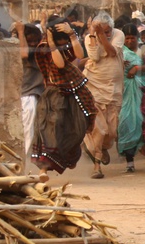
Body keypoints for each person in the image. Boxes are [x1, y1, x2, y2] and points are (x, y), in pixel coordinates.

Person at [27, 16, 94, 173]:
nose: (65, 42)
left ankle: (69, 157)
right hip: (54, 95)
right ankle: (43, 170)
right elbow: (60, 64)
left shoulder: (68, 42)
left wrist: (72, 35)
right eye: (62, 39)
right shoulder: (45, 47)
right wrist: (51, 43)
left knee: (78, 128)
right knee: (51, 128)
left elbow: (79, 54)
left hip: (74, 92)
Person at [81, 11, 125, 179]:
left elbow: (112, 52)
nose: (106, 34)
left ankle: (100, 148)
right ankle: (97, 166)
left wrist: (101, 35)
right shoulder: (89, 37)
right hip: (94, 86)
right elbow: (94, 56)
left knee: (112, 131)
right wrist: (94, 35)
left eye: (108, 31)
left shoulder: (118, 34)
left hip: (114, 90)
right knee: (99, 129)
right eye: (103, 31)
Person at [116, 23, 145, 174]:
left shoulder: (143, 51)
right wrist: (119, 64)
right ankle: (129, 161)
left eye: (132, 38)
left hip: (140, 91)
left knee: (140, 121)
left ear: (137, 38)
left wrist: (137, 68)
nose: (129, 41)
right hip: (124, 91)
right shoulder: (118, 52)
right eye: (126, 38)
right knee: (125, 122)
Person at [17, 22, 46, 162]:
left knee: (32, 130)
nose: (34, 44)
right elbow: (23, 54)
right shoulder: (23, 52)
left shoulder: (39, 52)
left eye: (36, 40)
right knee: (27, 129)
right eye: (30, 41)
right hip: (26, 94)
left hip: (36, 94)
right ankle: (22, 158)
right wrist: (20, 32)